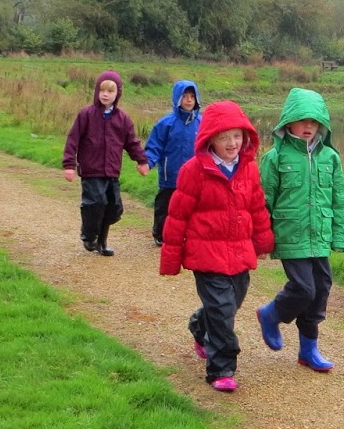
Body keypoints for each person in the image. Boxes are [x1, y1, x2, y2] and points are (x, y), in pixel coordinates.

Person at [159, 101, 275, 392]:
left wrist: (263, 239)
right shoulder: (193, 171)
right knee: (223, 310)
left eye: (237, 136)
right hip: (206, 256)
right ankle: (221, 367)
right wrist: (171, 258)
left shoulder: (248, 169)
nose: (232, 143)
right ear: (210, 138)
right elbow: (177, 217)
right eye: (224, 137)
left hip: (238, 254)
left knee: (229, 304)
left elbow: (257, 207)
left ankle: (200, 326)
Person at [255, 87, 344, 372]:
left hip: (319, 236)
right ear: (288, 122)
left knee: (321, 290)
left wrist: (339, 234)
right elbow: (263, 200)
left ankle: (308, 350)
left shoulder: (330, 158)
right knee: (303, 288)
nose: (308, 126)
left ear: (322, 124)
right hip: (290, 235)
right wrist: (260, 238)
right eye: (302, 120)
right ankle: (271, 314)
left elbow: (338, 199)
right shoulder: (276, 157)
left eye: (314, 121)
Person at [62, 70, 150, 255]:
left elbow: (131, 142)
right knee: (95, 203)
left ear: (117, 94)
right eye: (102, 90)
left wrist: (142, 161)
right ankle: (89, 236)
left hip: (111, 171)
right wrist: (69, 165)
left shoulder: (123, 119)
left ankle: (102, 241)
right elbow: (73, 140)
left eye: (110, 91)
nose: (105, 94)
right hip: (91, 170)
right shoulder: (86, 114)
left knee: (113, 208)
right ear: (97, 91)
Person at [144, 79, 201, 246]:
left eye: (192, 96)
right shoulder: (165, 124)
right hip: (170, 176)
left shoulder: (202, 123)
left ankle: (189, 234)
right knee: (165, 207)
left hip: (194, 178)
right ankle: (160, 233)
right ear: (177, 98)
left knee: (191, 208)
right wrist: (148, 162)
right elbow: (154, 146)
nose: (189, 100)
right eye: (185, 96)